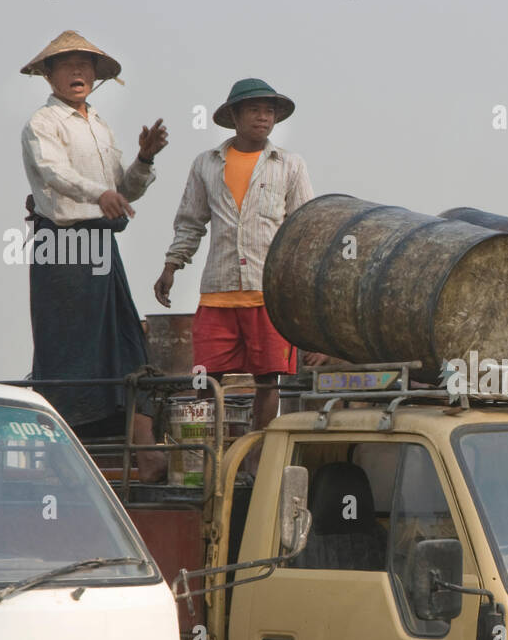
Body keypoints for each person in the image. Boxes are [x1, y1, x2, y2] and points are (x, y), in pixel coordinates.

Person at [20, 30, 168, 481]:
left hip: (102, 243)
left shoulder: (100, 126)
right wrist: (99, 192)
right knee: (71, 355)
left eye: (85, 65)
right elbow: (53, 173)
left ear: (95, 75)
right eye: (67, 65)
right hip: (62, 247)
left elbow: (123, 191)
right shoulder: (42, 124)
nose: (78, 72)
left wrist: (143, 160)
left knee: (127, 344)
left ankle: (148, 456)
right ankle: (64, 465)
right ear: (49, 74)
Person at [154, 78, 317, 437]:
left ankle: (258, 456)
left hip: (267, 293)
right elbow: (190, 221)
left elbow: (303, 230)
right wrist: (171, 265)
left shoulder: (289, 165)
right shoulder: (207, 164)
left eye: (269, 111)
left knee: (268, 381)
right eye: (255, 110)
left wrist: (302, 292)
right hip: (218, 292)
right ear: (235, 116)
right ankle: (204, 454)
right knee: (205, 380)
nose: (263, 118)